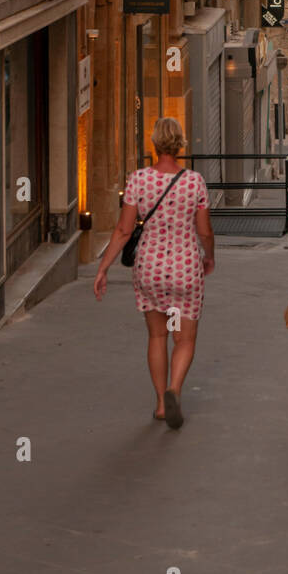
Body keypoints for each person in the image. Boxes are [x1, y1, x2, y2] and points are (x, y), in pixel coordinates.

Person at [93, 117, 214, 429]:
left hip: (150, 268)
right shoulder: (194, 182)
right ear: (180, 144)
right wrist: (209, 257)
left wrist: (103, 268)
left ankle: (161, 404)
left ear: (154, 143)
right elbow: (204, 231)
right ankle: (175, 388)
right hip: (186, 267)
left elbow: (123, 230)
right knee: (184, 339)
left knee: (157, 335)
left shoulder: (138, 180)